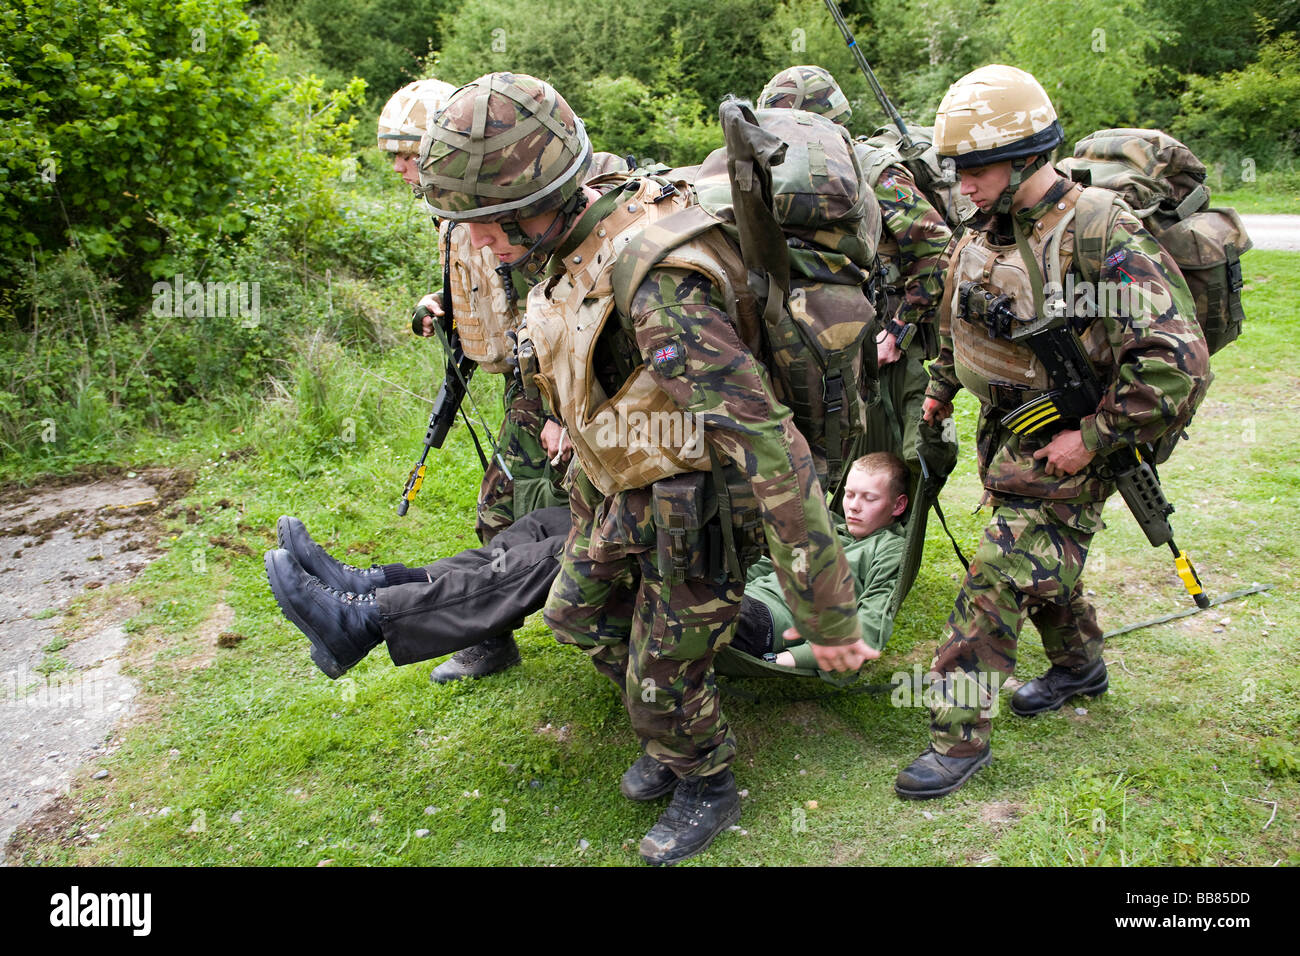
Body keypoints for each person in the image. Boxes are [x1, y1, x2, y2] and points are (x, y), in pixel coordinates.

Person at [416, 72, 874, 865]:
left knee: (657, 683)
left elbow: (765, 439)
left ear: (544, 197)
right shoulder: (572, 236)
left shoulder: (658, 283)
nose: (480, 244)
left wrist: (829, 611)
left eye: (489, 224)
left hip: (697, 504)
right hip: (621, 483)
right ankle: (689, 689)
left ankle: (706, 778)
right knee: (572, 615)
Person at [893, 64, 1210, 800]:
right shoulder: (985, 230)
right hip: (1008, 434)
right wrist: (941, 387)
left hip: (1076, 441)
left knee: (997, 580)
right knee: (1043, 565)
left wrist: (1092, 439)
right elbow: (960, 318)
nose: (963, 185)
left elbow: (1177, 363)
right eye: (958, 171)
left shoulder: (1099, 228)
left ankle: (954, 736)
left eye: (976, 169)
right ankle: (1078, 667)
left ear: (1028, 156)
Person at [378, 80, 626, 683]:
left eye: (411, 153)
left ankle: (628, 646)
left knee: (549, 510)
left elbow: (548, 298)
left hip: (544, 379)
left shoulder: (514, 205)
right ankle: (493, 636)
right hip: (521, 376)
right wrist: (445, 302)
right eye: (397, 158)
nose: (405, 168)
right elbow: (492, 289)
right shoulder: (455, 213)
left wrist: (554, 409)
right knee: (503, 510)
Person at [263, 451, 909, 680]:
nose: (851, 506)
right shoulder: (814, 515)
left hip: (750, 622)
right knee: (544, 525)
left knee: (571, 553)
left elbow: (867, 636)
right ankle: (368, 587)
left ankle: (370, 619)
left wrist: (785, 656)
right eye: (847, 492)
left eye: (867, 499)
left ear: (898, 507)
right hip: (724, 574)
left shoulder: (880, 552)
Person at [758, 66, 951, 474]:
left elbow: (938, 250)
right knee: (842, 454)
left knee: (896, 461)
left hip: (889, 338)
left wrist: (899, 332)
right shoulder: (792, 173)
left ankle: (894, 538)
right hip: (834, 337)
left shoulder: (874, 172)